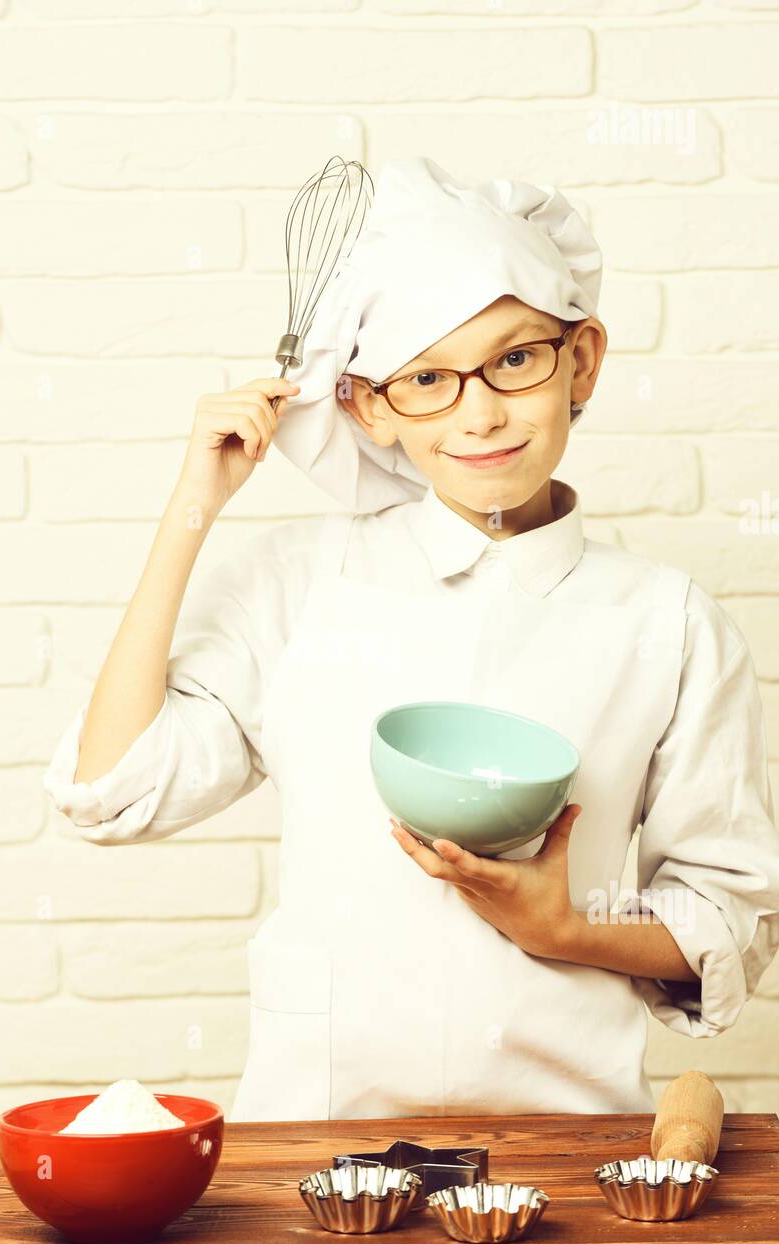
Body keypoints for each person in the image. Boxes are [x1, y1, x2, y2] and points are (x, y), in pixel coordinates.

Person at [43, 156, 779, 1122]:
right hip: (312, 1142)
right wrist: (195, 506)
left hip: (564, 1146)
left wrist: (564, 927)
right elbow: (111, 792)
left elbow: (726, 918)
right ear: (370, 407)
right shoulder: (296, 583)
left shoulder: (668, 621)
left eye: (515, 359)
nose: (479, 412)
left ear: (584, 359)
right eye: (426, 377)